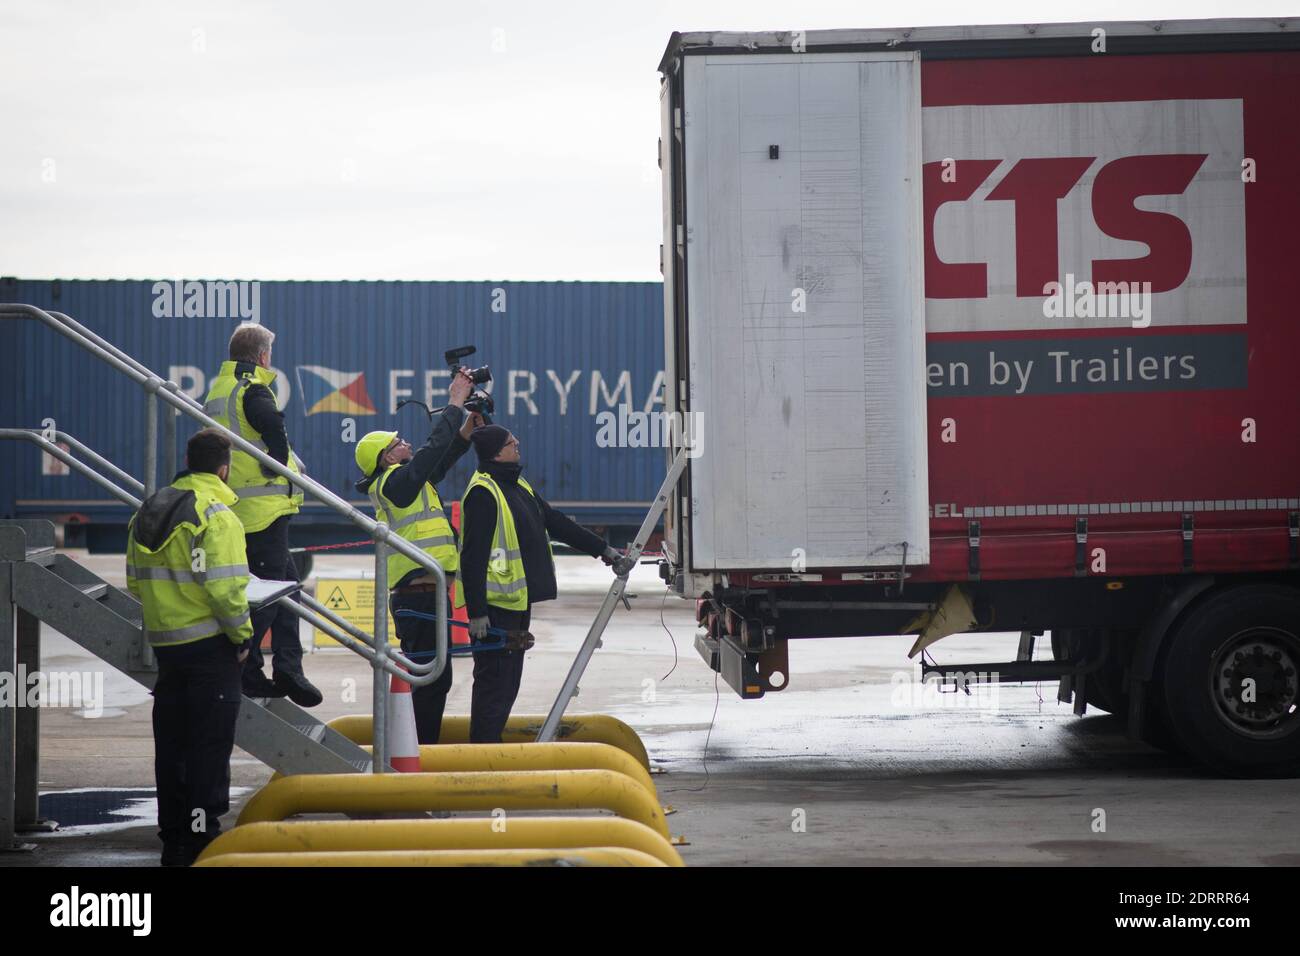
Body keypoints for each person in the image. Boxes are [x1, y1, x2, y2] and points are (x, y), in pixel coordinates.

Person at [456, 424, 635, 743]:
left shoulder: (516, 485)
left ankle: (489, 748)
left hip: (516, 602)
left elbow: (557, 523)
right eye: (512, 442)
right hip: (495, 611)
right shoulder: (484, 493)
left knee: (507, 686)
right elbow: (472, 557)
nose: (518, 444)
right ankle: (481, 756)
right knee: (493, 687)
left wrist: (604, 551)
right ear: (498, 452)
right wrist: (477, 612)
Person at [126, 429, 252, 866]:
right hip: (210, 650)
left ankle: (175, 840)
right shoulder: (217, 514)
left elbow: (134, 581)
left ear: (188, 459)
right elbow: (225, 590)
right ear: (224, 467)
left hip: (168, 650)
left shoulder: (149, 508)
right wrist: (241, 636)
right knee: (208, 752)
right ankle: (201, 841)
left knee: (173, 750)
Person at [353, 369, 481, 744]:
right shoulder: (393, 484)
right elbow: (428, 454)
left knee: (436, 679)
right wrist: (454, 403)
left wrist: (466, 432)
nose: (406, 444)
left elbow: (439, 457)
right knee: (430, 680)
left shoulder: (409, 482)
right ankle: (418, 752)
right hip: (418, 596)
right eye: (398, 443)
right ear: (386, 459)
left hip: (431, 595)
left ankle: (420, 747)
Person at [203, 323, 321, 707]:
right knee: (270, 595)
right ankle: (247, 669)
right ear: (262, 355)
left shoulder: (220, 388)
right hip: (263, 509)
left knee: (288, 590)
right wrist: (276, 462)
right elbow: (272, 424)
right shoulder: (252, 386)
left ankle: (289, 668)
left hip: (240, 505)